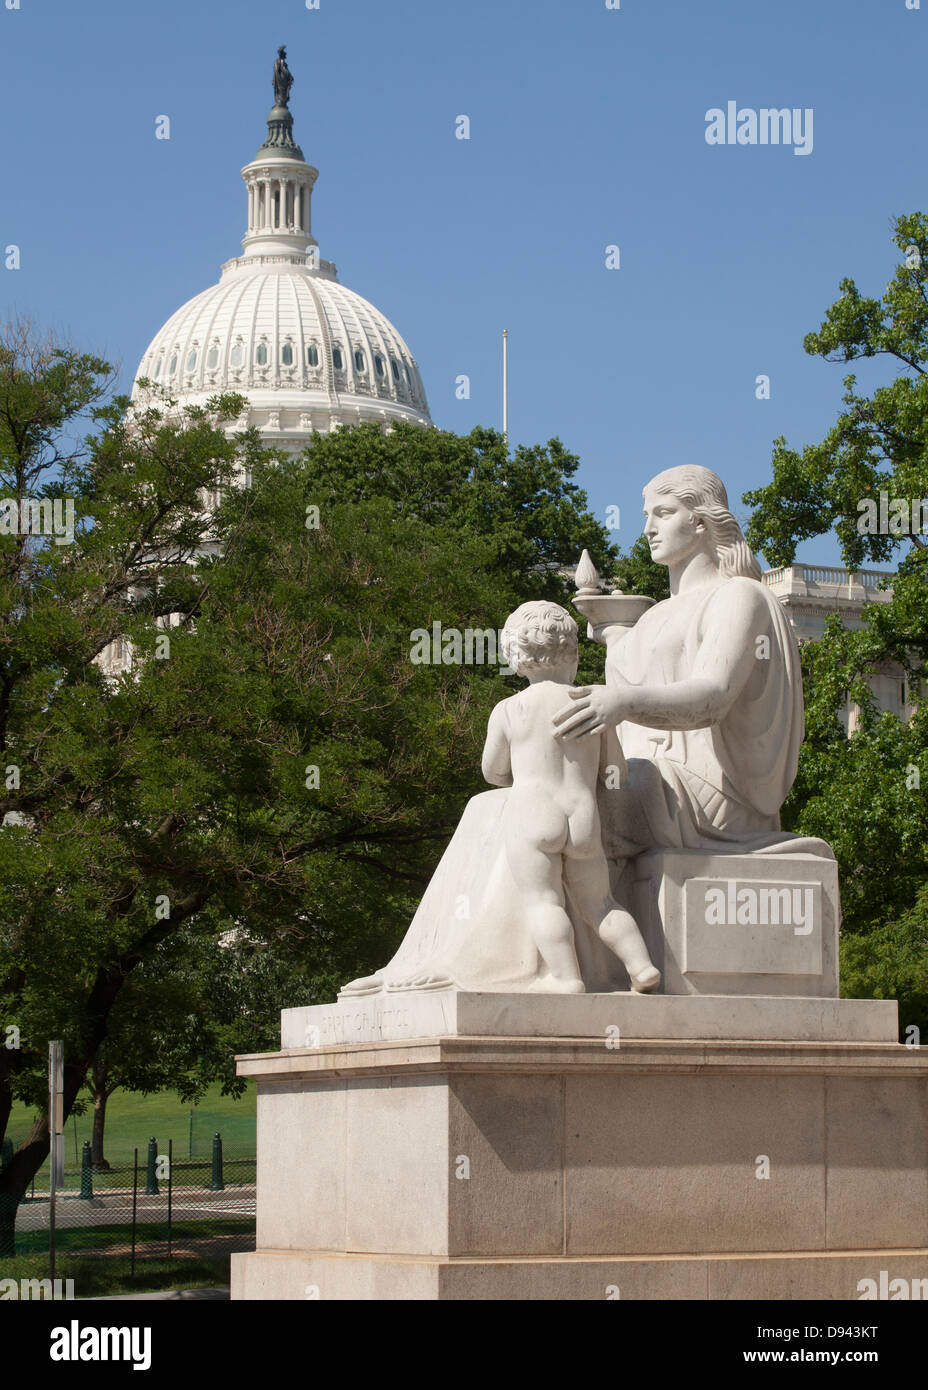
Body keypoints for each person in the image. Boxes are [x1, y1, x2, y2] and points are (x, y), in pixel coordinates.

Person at [482, 601, 660, 993]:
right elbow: (615, 773)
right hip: (581, 814)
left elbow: (492, 772)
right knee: (600, 903)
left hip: (533, 813)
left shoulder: (510, 709)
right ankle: (641, 967)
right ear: (573, 653)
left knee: (543, 902)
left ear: (515, 657)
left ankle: (565, 978)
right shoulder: (592, 706)